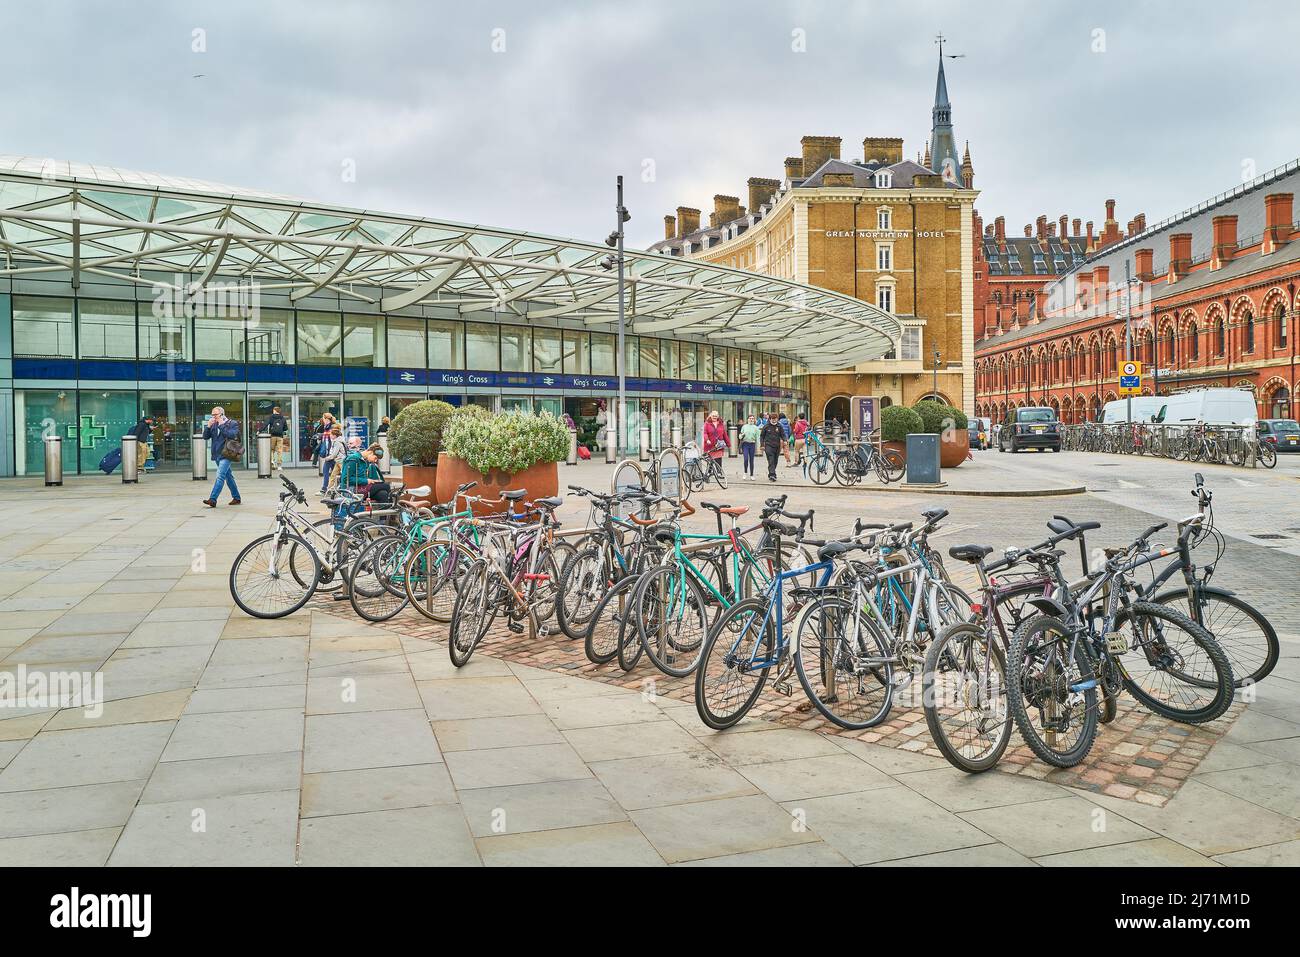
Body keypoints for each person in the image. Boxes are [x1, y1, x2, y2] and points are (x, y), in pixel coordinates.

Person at [202, 406, 241, 507]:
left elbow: (232, 435)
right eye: (212, 415)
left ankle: (213, 499)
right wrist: (208, 426)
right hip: (217, 454)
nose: (213, 417)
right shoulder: (214, 424)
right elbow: (205, 437)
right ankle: (236, 498)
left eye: (215, 415)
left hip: (227, 454)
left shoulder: (232, 423)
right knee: (228, 476)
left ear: (222, 414)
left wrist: (221, 425)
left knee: (220, 476)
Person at [703, 410, 729, 477]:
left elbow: (724, 434)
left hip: (719, 444)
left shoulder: (721, 424)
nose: (714, 417)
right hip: (710, 445)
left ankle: (719, 473)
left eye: (716, 416)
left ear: (718, 416)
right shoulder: (707, 424)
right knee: (711, 459)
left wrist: (728, 443)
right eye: (713, 416)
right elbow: (705, 433)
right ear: (710, 416)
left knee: (719, 458)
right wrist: (707, 440)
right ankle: (709, 472)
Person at [760, 411, 784, 482]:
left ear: (777, 419)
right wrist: (762, 445)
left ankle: (771, 473)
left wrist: (785, 440)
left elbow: (783, 435)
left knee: (775, 461)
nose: (774, 420)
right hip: (768, 446)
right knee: (771, 460)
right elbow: (762, 436)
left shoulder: (779, 426)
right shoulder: (766, 426)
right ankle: (773, 475)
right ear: (770, 419)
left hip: (777, 446)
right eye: (772, 418)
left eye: (775, 418)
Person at [322, 426, 347, 493]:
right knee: (333, 475)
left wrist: (327, 458)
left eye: (331, 434)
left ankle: (344, 489)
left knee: (344, 475)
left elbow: (334, 454)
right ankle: (329, 489)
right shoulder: (340, 440)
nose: (330, 435)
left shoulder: (337, 442)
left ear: (335, 435)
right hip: (338, 461)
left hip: (341, 461)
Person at [266, 405, 288, 471]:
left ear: (275, 411)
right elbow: (285, 428)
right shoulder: (283, 418)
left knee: (271, 449)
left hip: (272, 436)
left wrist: (259, 431)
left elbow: (266, 424)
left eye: (273, 410)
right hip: (280, 437)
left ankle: (272, 461)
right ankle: (279, 466)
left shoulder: (271, 417)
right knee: (279, 451)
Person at [739, 414, 760, 480]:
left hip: (752, 444)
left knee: (751, 460)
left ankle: (752, 474)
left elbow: (758, 438)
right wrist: (742, 435)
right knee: (745, 459)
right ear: (747, 419)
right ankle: (745, 473)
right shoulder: (744, 426)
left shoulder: (756, 428)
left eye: (752, 418)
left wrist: (759, 446)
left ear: (754, 420)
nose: (751, 419)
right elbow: (740, 436)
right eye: (750, 418)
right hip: (745, 444)